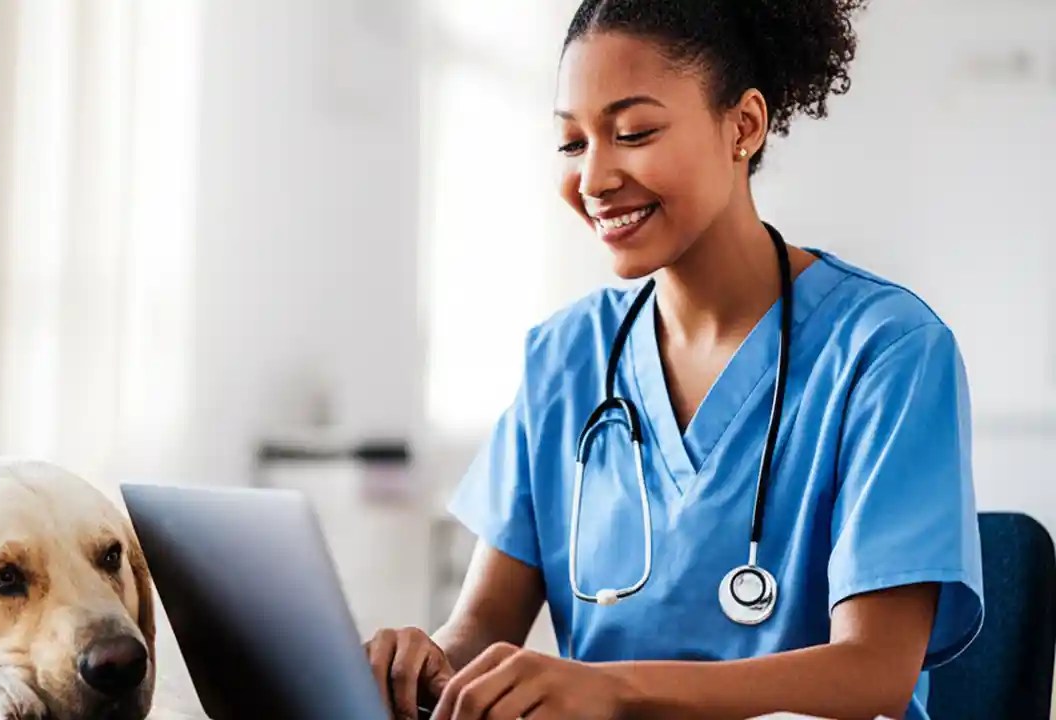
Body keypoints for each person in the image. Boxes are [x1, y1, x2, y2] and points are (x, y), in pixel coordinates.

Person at [365, 1, 985, 719]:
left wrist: (612, 690)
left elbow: (873, 670)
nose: (593, 179)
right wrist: (420, 665)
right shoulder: (565, 357)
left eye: (633, 133)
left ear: (743, 126)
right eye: (571, 143)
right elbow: (479, 630)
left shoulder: (887, 351)